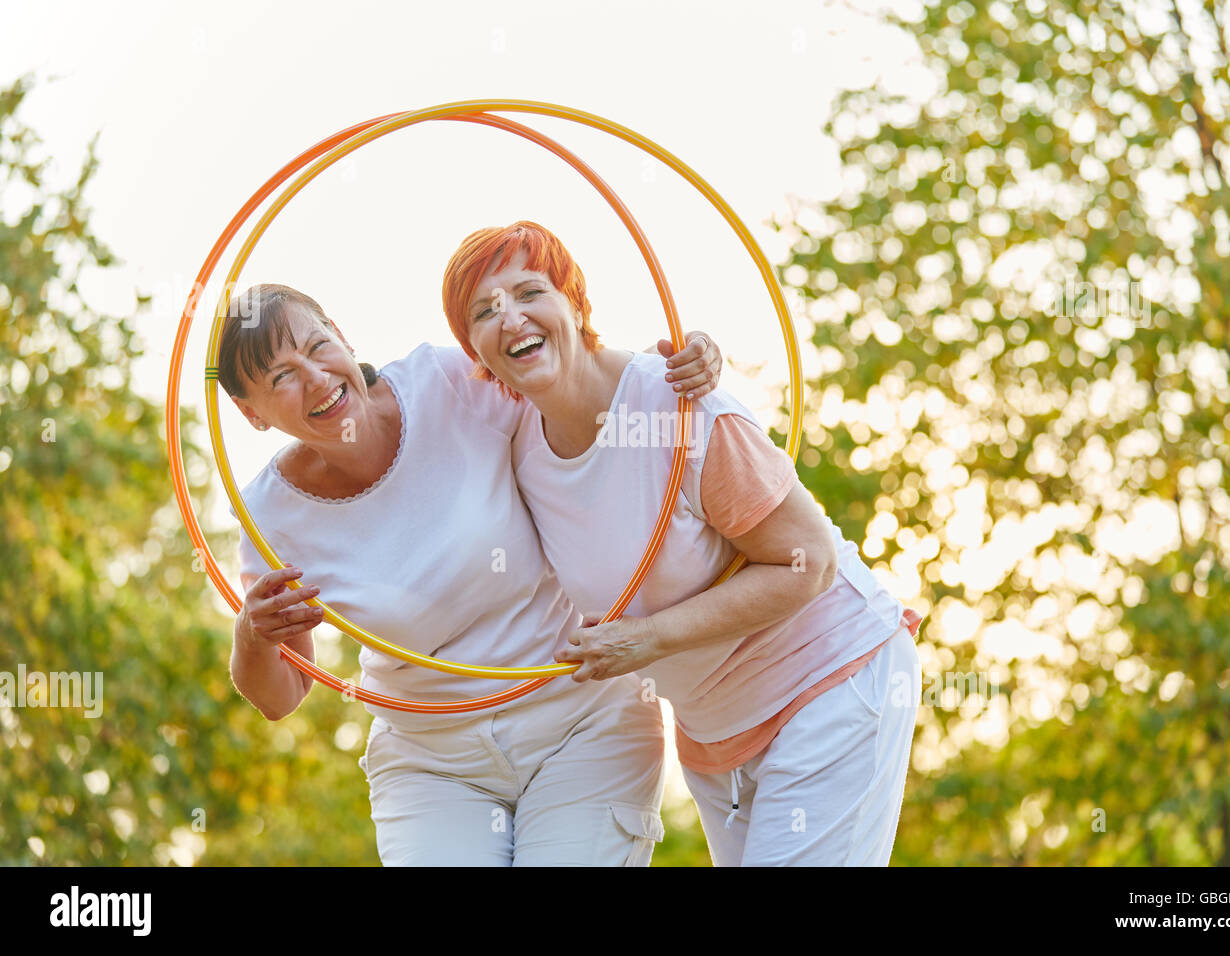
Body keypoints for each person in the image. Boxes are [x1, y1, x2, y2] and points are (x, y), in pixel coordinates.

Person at [442, 222, 923, 866]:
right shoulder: (515, 445)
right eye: (484, 311)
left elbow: (807, 562)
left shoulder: (677, 407)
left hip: (829, 680)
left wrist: (648, 638)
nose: (511, 317)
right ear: (473, 349)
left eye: (530, 291)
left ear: (577, 306)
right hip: (715, 730)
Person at [217, 282, 722, 865]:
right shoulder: (270, 518)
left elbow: (580, 389)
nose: (315, 377)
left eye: (317, 345)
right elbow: (283, 696)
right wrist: (252, 638)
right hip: (432, 761)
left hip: (580, 715)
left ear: (343, 336)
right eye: (280, 376)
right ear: (251, 413)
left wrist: (674, 372)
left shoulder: (446, 383)